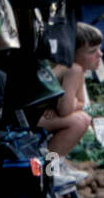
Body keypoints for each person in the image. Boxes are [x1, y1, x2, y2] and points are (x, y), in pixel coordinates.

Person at [38, 21, 101, 165]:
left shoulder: (77, 69)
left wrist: (72, 103)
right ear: (73, 52)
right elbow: (65, 110)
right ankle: (50, 169)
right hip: (33, 119)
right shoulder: (73, 69)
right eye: (92, 51)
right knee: (80, 121)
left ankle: (55, 166)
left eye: (99, 49)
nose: (100, 54)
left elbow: (79, 103)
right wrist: (73, 104)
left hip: (41, 116)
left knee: (81, 117)